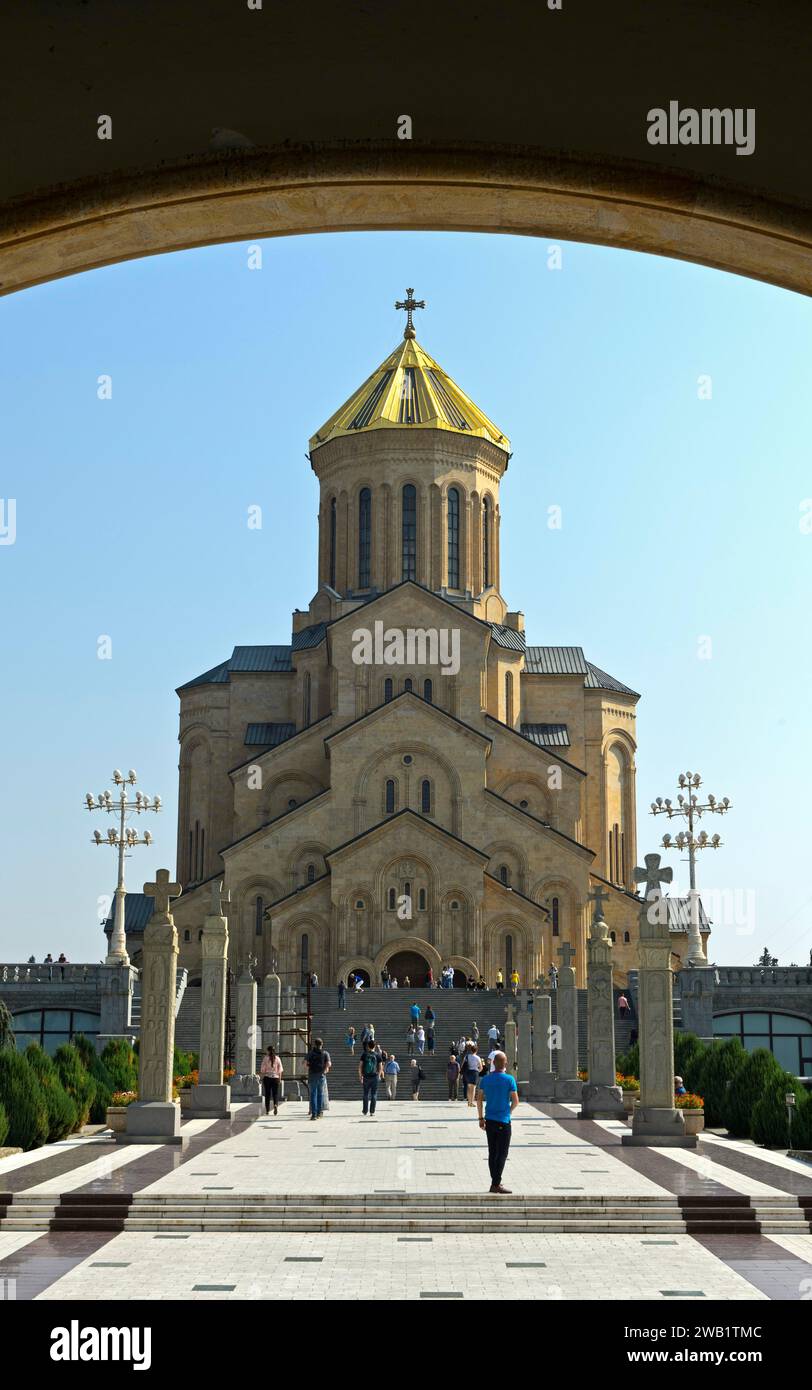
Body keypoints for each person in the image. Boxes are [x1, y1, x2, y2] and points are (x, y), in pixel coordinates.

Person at [477, 1051, 519, 1194]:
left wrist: (480, 1118)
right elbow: (516, 1100)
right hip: (504, 1120)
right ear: (505, 1064)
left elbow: (479, 1100)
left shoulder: (485, 1080)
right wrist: (509, 1111)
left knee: (492, 1151)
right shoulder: (509, 1079)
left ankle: (495, 1182)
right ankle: (496, 1183)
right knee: (502, 1153)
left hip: (489, 1120)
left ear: (493, 1064)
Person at [306, 1037, 331, 1120]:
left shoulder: (311, 1053)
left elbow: (304, 1063)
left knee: (313, 1094)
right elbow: (329, 1064)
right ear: (322, 1044)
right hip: (321, 1076)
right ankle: (319, 1112)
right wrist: (324, 1070)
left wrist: (309, 1066)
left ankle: (314, 1115)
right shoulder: (325, 1053)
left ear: (315, 1044)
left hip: (312, 1075)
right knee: (320, 1094)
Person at [359, 1040, 383, 1116]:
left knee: (365, 1094)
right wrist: (379, 1075)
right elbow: (380, 1067)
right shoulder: (377, 1055)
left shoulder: (364, 1054)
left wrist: (360, 1076)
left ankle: (365, 1111)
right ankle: (372, 1111)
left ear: (368, 1046)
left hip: (366, 1076)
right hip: (374, 1076)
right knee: (374, 1094)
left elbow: (360, 1066)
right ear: (374, 1046)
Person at [260, 1045, 283, 1115]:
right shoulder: (278, 1058)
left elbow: (262, 1070)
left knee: (267, 1094)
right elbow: (280, 1070)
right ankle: (275, 1105)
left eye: (267, 1050)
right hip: (275, 1078)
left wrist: (261, 1077)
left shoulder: (265, 1058)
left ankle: (267, 1110)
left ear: (269, 1051)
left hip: (267, 1078)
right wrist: (280, 1079)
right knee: (275, 1094)